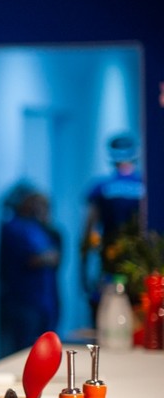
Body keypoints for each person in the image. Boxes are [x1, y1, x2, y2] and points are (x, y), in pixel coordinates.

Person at [80, 132, 145, 321]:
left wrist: (84, 264)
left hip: (110, 259)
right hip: (140, 260)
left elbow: (89, 226)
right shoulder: (144, 184)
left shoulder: (101, 186)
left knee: (108, 308)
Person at [0, 183, 62, 356]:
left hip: (45, 300)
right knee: (23, 351)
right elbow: (32, 259)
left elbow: (55, 257)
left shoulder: (41, 228)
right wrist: (45, 258)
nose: (37, 207)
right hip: (24, 301)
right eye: (34, 202)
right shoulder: (14, 227)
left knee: (45, 352)